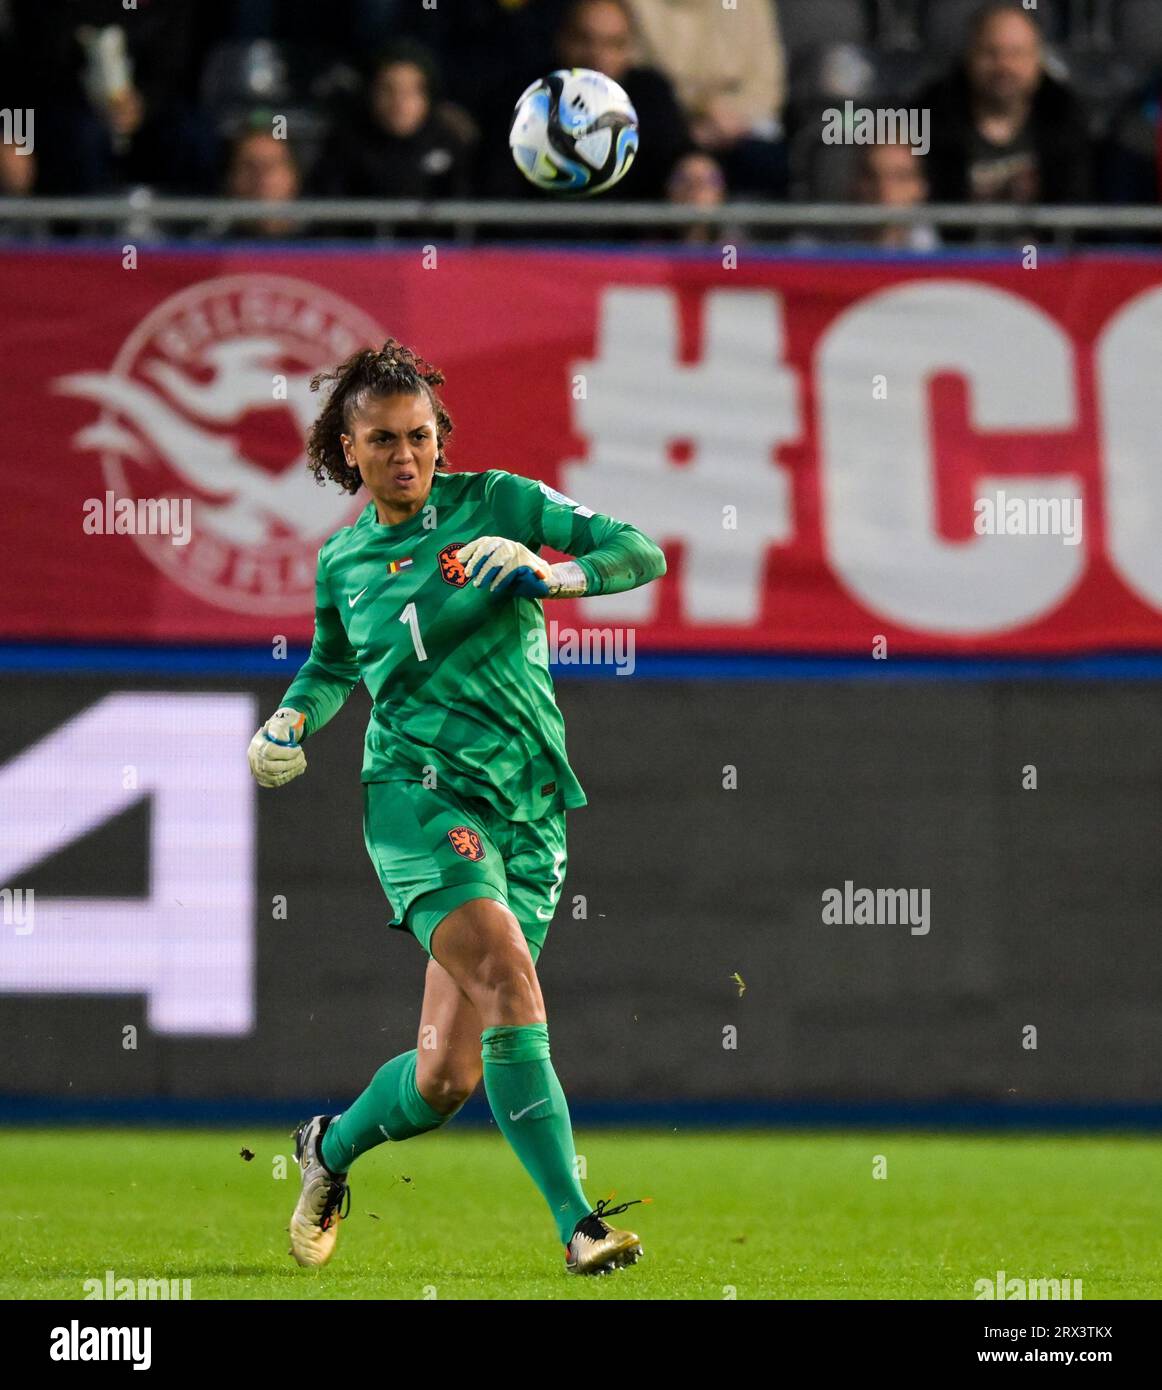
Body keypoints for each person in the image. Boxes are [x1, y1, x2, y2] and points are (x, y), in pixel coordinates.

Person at [247, 340, 667, 1276]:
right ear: (347, 450)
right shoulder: (344, 561)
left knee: (445, 1077)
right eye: (385, 441)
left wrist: (546, 572)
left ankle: (328, 1148)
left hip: (529, 807)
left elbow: (641, 551)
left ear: (441, 438)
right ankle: (578, 1223)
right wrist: (288, 720)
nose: (407, 456)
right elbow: (330, 665)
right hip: (418, 800)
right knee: (513, 978)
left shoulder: (500, 505)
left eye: (421, 436)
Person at [916, 2, 1091, 207]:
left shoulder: (1066, 117)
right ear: (969, 55)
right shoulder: (929, 116)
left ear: (1038, 59)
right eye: (991, 53)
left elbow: (1075, 206)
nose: (1004, 66)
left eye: (1017, 53)